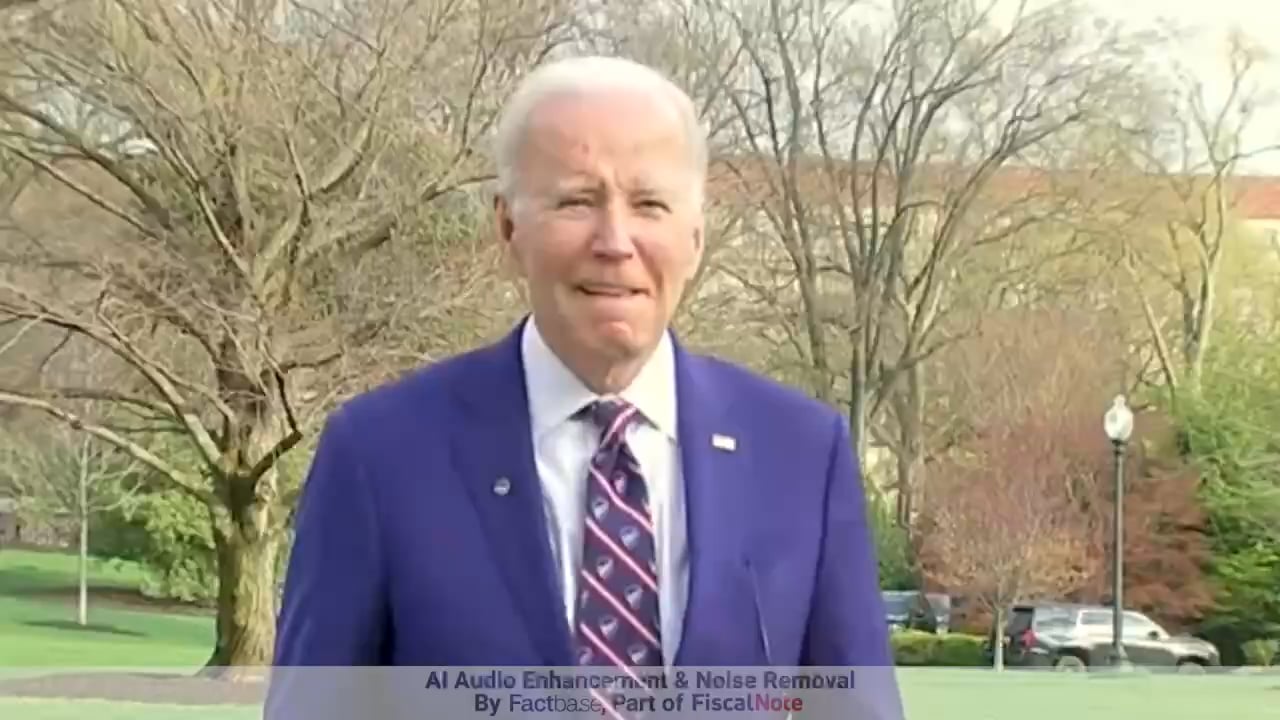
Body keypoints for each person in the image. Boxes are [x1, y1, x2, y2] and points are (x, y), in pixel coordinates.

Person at [267, 54, 902, 719]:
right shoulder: (380, 455)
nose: (615, 241)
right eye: (577, 200)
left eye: (650, 204)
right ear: (508, 228)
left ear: (696, 235)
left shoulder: (801, 454)